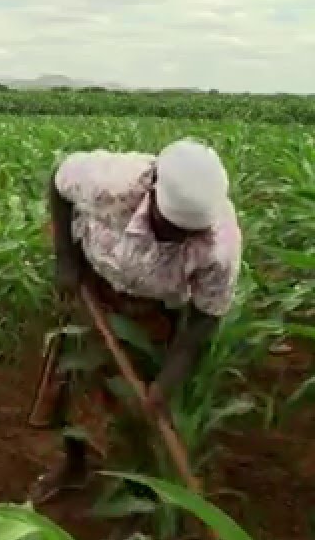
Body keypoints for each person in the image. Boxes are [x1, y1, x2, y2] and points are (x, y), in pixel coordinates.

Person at [30, 138, 242, 503]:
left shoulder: (219, 247)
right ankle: (74, 465)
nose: (173, 237)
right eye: (168, 225)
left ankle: (141, 484)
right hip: (93, 283)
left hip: (155, 310)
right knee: (75, 376)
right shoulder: (115, 183)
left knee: (141, 403)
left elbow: (205, 318)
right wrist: (65, 258)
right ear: (153, 188)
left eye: (184, 234)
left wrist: (167, 380)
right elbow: (59, 182)